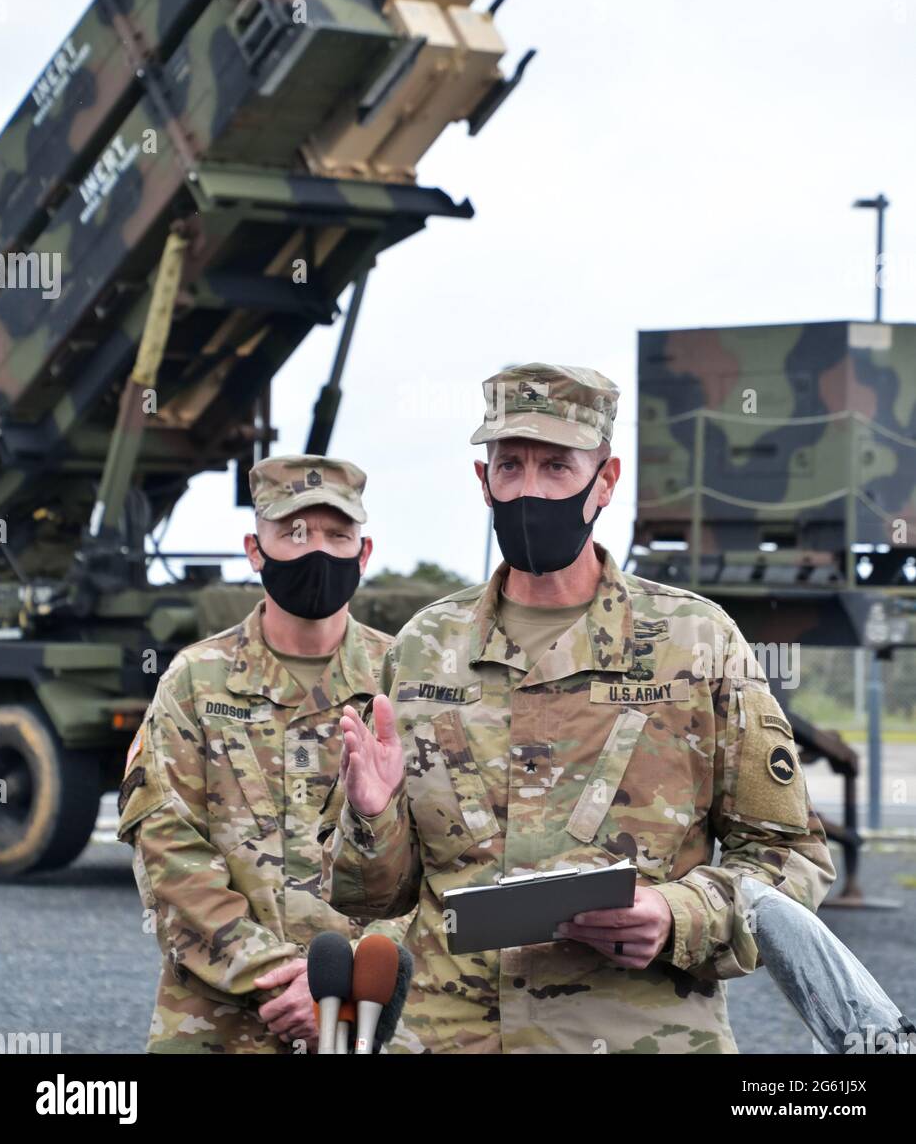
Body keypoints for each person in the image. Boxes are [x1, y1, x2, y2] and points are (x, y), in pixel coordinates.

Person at [320, 363, 837, 1054]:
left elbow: (790, 859)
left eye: (557, 467)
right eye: (511, 466)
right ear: (484, 483)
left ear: (606, 481)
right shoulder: (425, 647)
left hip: (632, 1037)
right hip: (448, 1038)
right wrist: (373, 817)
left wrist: (678, 913)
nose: (530, 489)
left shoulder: (696, 640)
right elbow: (373, 898)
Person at [118, 454, 405, 1053]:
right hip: (218, 1026)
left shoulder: (404, 682)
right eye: (294, 533)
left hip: (368, 1022)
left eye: (337, 534)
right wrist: (279, 980)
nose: (316, 551)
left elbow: (442, 857)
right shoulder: (195, 681)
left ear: (364, 551)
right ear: (256, 549)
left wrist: (348, 979)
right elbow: (168, 852)